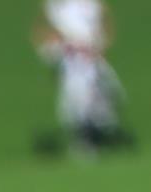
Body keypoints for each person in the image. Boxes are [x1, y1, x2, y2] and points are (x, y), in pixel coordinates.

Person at [33, 0, 132, 158]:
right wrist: (55, 52)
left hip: (92, 59)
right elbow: (43, 33)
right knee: (78, 104)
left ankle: (98, 135)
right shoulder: (56, 6)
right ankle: (85, 145)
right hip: (73, 61)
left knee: (111, 96)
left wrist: (102, 45)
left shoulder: (91, 5)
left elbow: (105, 22)